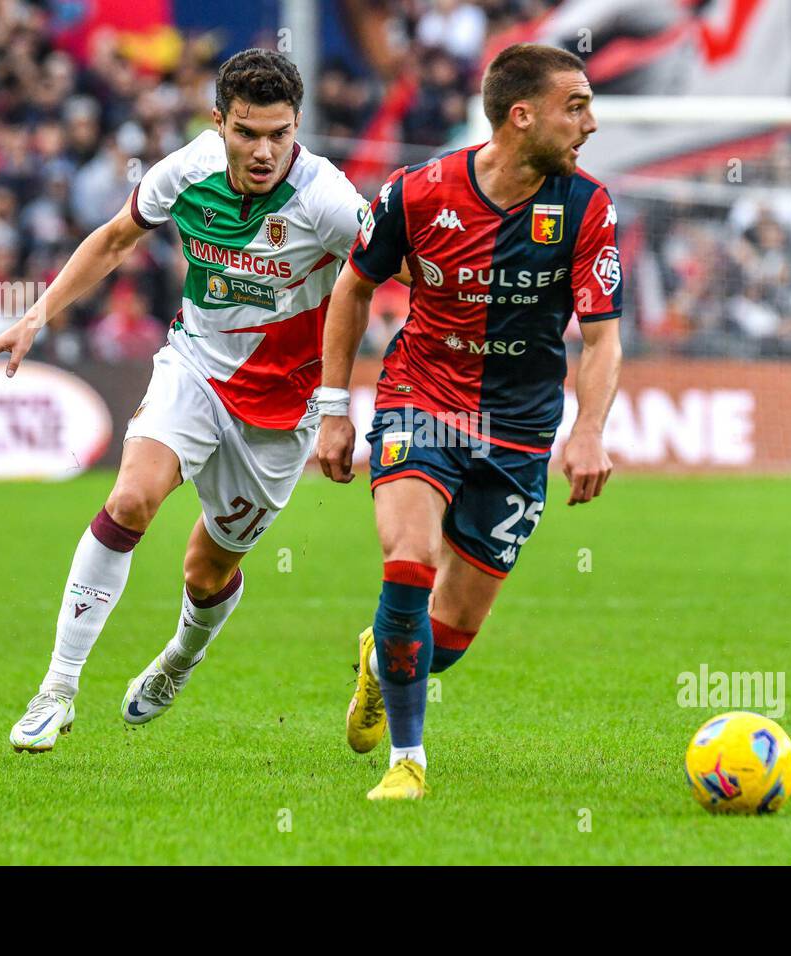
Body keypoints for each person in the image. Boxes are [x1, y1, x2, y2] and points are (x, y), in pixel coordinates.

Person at [0, 49, 372, 752]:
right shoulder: (187, 170)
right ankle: (58, 689)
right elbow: (116, 238)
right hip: (192, 368)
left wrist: (345, 402)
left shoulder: (329, 201)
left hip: (280, 413)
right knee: (129, 502)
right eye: (246, 132)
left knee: (206, 569)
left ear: (297, 125)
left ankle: (178, 660)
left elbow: (385, 274)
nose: (263, 150)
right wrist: (37, 315)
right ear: (218, 121)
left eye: (279, 133)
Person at [315, 43, 623, 799]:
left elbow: (604, 334)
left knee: (444, 637)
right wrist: (333, 410)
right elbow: (353, 292)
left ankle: (380, 657)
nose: (591, 122)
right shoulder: (416, 193)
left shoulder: (587, 205)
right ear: (522, 117)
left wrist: (587, 431)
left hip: (520, 429)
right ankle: (407, 763)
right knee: (410, 559)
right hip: (421, 398)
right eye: (574, 106)